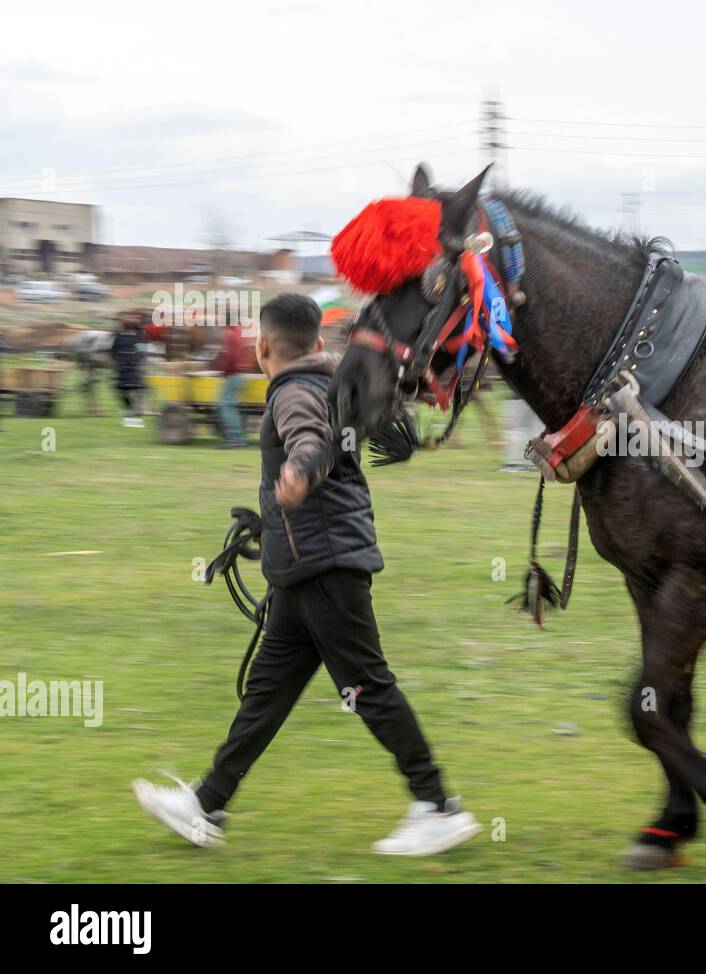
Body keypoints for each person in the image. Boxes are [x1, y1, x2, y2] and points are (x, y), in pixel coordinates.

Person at [133, 293, 480, 856]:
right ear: (319, 344)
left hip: (325, 565)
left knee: (366, 686)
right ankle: (208, 802)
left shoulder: (293, 391)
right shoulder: (329, 385)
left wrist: (296, 473)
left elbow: (309, 443)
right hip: (307, 566)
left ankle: (437, 805)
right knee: (267, 694)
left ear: (261, 347)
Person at [212, 315, 254, 447]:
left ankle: (234, 439)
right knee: (234, 406)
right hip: (242, 373)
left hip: (233, 374)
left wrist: (223, 371)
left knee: (226, 405)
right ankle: (239, 437)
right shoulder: (239, 332)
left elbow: (230, 356)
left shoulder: (229, 334)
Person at [109, 311, 146, 427]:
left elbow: (112, 352)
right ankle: (132, 411)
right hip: (130, 369)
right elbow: (141, 353)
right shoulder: (137, 337)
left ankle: (130, 409)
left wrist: (119, 362)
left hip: (124, 369)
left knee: (121, 390)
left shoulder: (119, 337)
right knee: (137, 390)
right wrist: (133, 361)